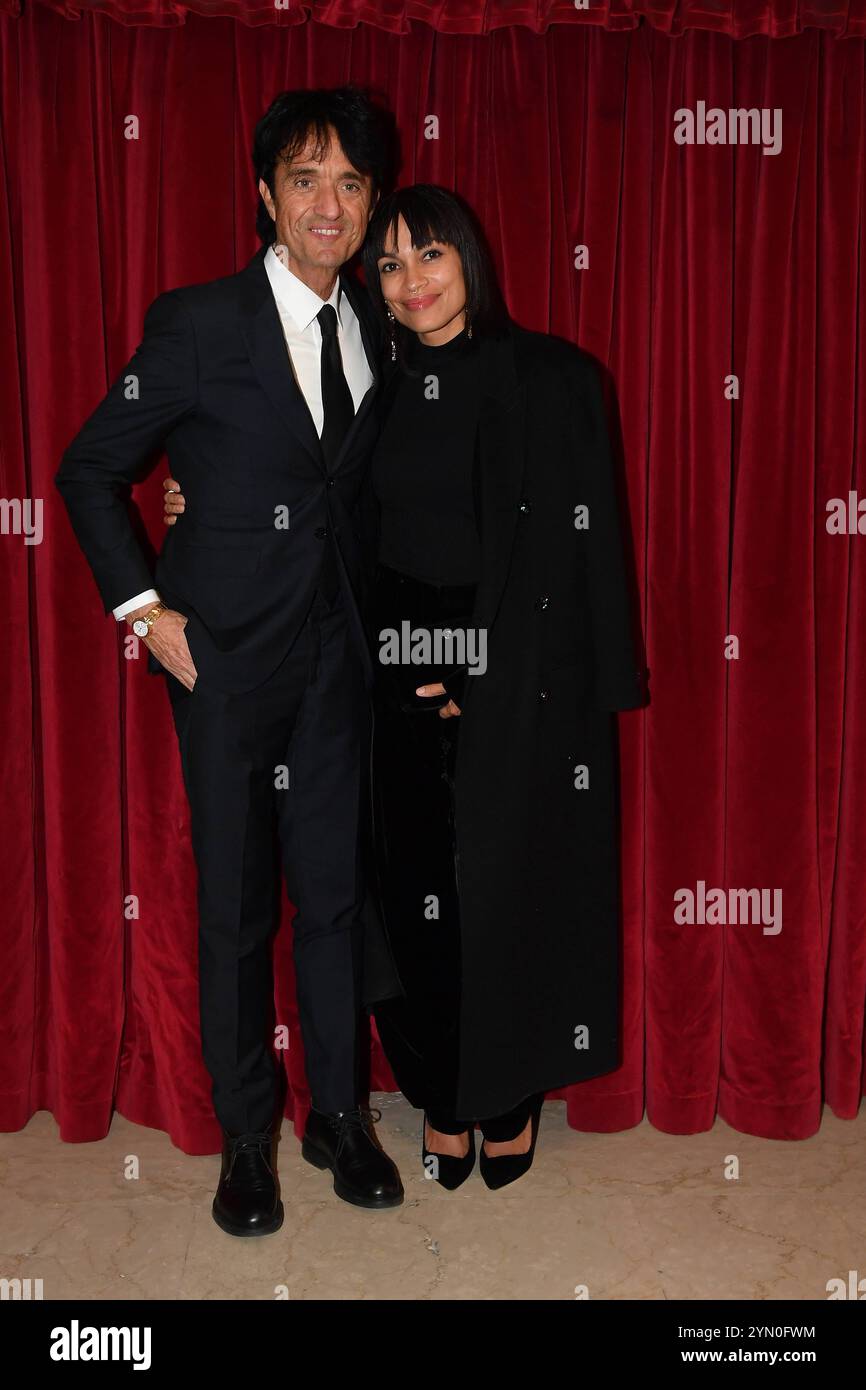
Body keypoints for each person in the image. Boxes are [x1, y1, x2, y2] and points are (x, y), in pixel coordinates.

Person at [164, 183, 645, 1193]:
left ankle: (504, 1095)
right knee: (412, 904)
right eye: (387, 264)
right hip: (385, 686)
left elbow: (576, 558)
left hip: (512, 688)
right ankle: (438, 1089)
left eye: (428, 254)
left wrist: (500, 677)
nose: (409, 279)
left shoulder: (551, 378)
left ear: (468, 259)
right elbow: (305, 498)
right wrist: (197, 492)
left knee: (506, 900)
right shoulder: (370, 387)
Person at [54, 87, 405, 1238]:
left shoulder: (373, 330)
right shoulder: (200, 322)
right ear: (265, 195)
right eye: (304, 178)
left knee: (337, 902)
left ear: (368, 205)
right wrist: (148, 612)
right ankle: (246, 1136)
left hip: (337, 666)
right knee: (236, 909)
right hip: (224, 664)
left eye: (349, 182)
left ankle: (339, 1118)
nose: (327, 203)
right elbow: (89, 467)